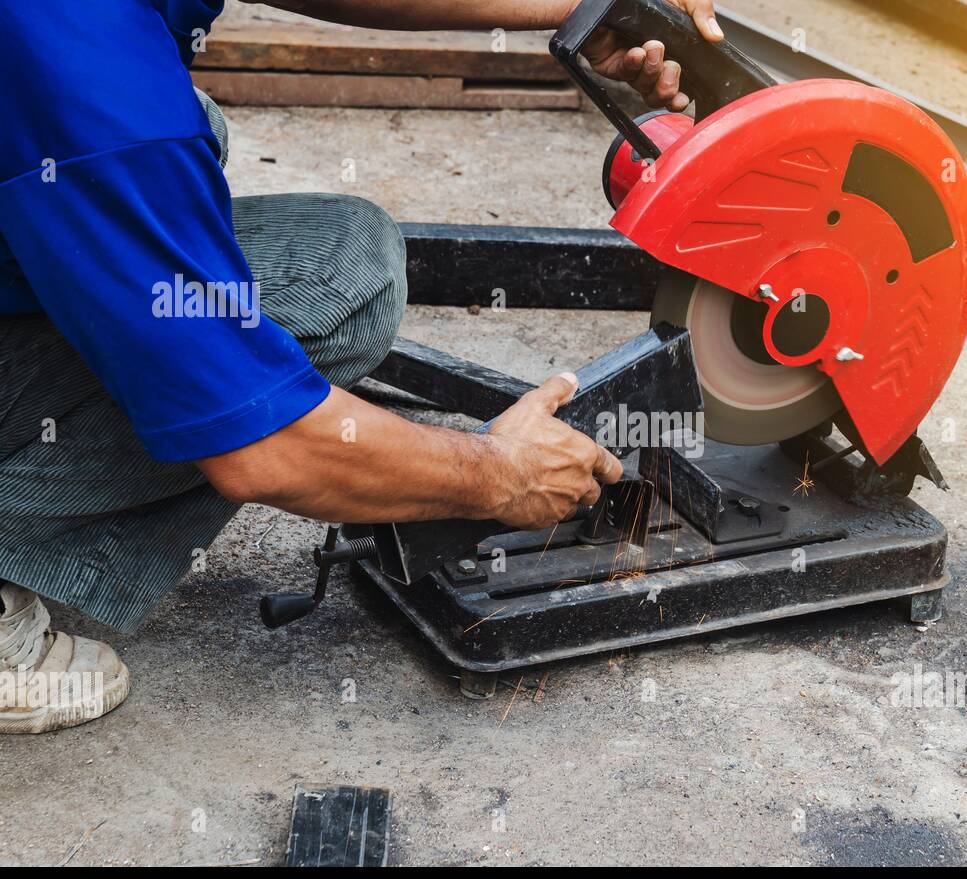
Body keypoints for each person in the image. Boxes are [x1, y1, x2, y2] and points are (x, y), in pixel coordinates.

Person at [0, 0, 722, 733]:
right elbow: (263, 447)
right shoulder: (94, 85)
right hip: (79, 104)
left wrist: (578, 4)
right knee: (329, 290)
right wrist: (498, 473)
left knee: (277, 203)